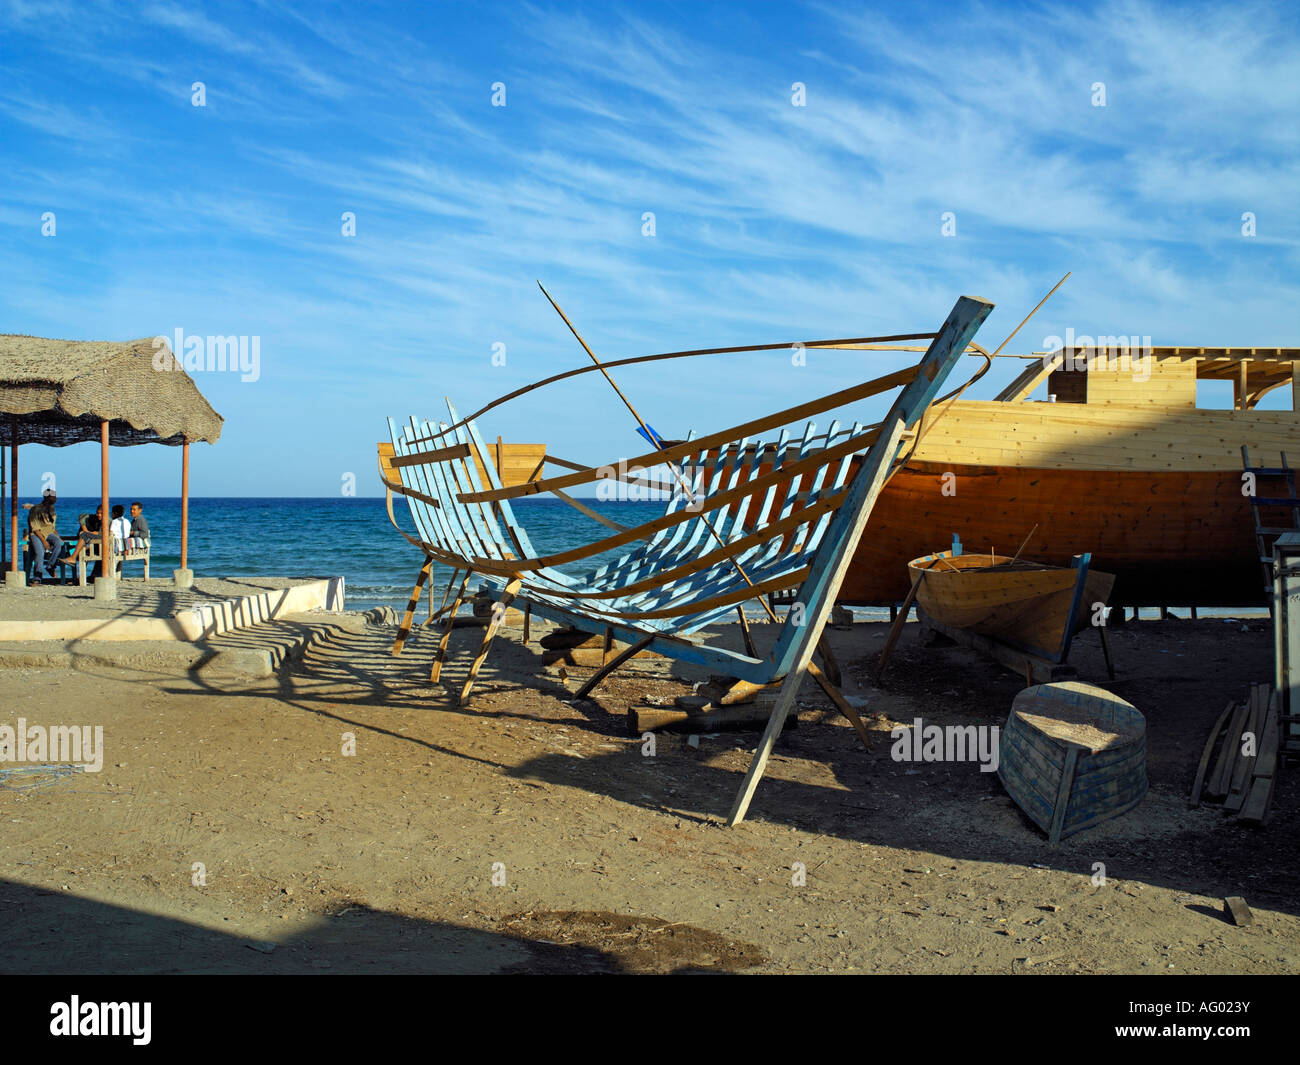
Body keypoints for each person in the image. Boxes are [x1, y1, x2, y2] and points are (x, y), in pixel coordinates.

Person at [26, 489, 61, 583]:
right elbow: (35, 528)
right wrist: (44, 541)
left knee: (58, 543)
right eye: (54, 496)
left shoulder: (51, 509)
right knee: (40, 552)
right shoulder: (35, 509)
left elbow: (51, 526)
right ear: (48, 497)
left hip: (48, 533)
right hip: (36, 534)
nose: (56, 498)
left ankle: (50, 566)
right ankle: (38, 575)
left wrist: (57, 536)